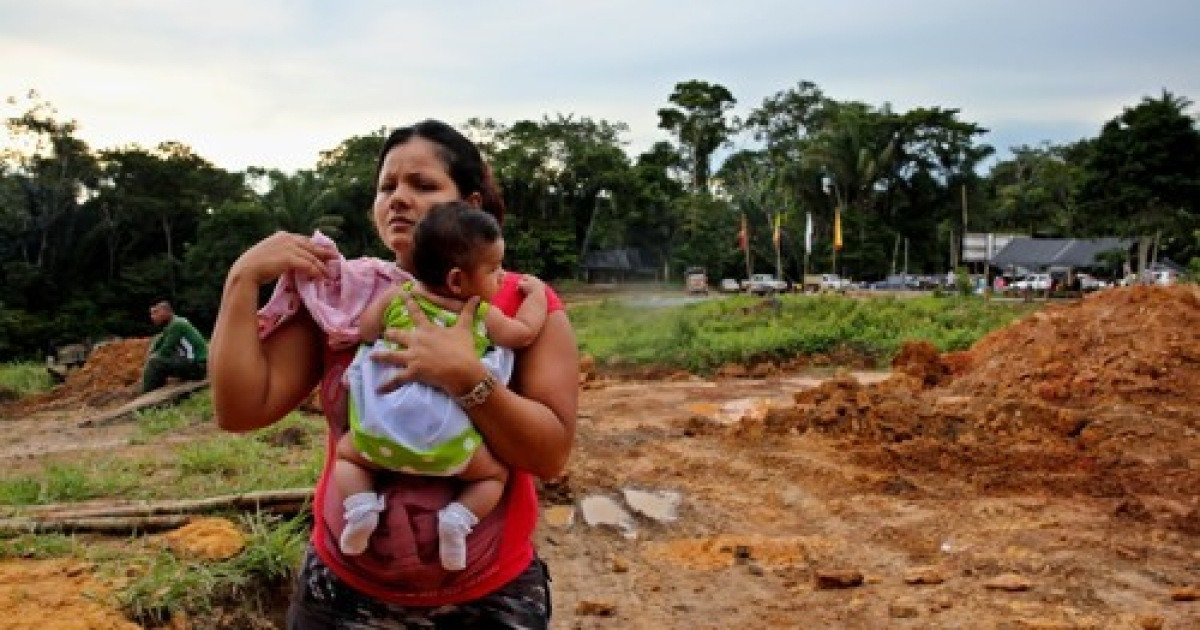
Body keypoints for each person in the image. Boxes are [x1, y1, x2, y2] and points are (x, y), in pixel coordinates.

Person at [209, 119, 577, 628]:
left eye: (422, 185)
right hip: (339, 595)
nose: (399, 198)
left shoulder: (518, 302)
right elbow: (240, 409)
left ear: (468, 206)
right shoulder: (341, 296)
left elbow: (550, 454)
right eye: (388, 186)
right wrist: (241, 279)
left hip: (487, 599)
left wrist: (467, 378)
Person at [336, 200, 549, 572]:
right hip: (449, 447)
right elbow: (524, 333)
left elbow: (366, 331)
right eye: (494, 269)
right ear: (456, 280)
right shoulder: (479, 312)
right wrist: (536, 296)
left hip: (379, 435)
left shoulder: (398, 297)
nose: (501, 277)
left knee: (345, 455)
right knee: (493, 475)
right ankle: (457, 520)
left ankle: (361, 507)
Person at [141, 300, 208, 393]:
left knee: (155, 362)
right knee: (156, 360)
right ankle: (155, 390)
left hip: (198, 366)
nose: (153, 317)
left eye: (156, 313)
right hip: (195, 364)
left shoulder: (177, 325)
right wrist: (151, 351)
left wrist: (151, 358)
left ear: (166, 312)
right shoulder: (174, 323)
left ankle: (146, 394)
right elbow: (159, 340)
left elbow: (165, 350)